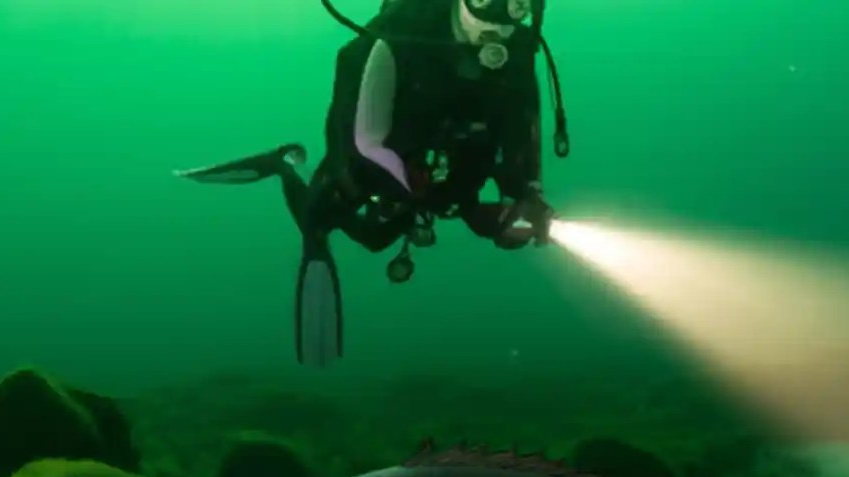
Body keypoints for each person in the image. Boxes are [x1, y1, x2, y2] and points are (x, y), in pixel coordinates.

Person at [174, 0, 569, 367]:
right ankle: (281, 168)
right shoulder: (398, 39)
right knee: (335, 219)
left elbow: (522, 130)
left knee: (437, 228)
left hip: (448, 169)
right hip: (378, 156)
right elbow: (366, 139)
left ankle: (461, 212)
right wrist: (403, 180)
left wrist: (526, 196)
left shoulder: (517, 55)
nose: (499, 13)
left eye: (517, 3)